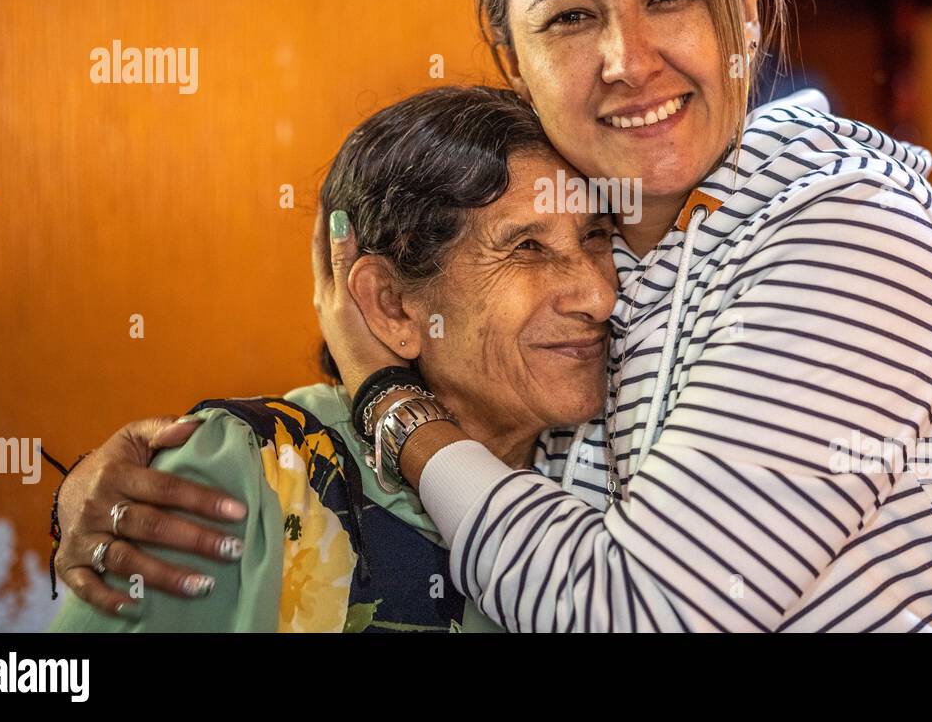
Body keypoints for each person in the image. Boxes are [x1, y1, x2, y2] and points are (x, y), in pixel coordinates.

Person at [53, 0, 932, 632]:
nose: (626, 58)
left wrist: (388, 401)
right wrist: (113, 494)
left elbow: (636, 614)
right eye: (569, 16)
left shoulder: (846, 228)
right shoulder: (603, 281)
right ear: (512, 57)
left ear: (743, 11)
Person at [51, 87, 615, 632]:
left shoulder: (616, 462)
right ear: (392, 305)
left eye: (595, 236)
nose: (598, 295)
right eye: (526, 248)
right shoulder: (251, 474)